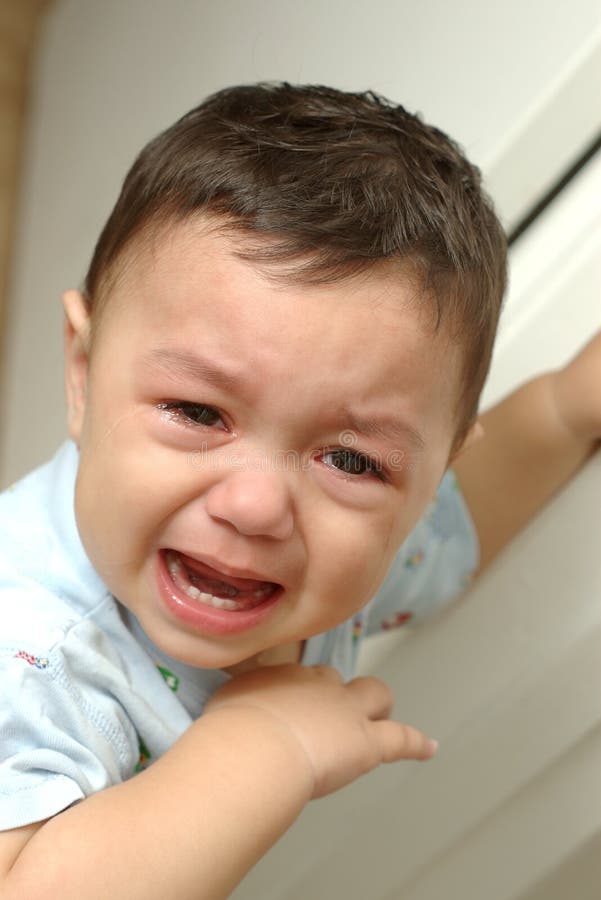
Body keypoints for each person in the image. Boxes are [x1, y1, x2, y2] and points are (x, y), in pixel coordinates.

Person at [0, 82, 598, 900]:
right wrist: (263, 746)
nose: (254, 507)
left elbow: (459, 522)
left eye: (348, 461)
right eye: (198, 412)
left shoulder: (324, 567)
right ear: (82, 373)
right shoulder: (30, 658)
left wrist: (566, 409)